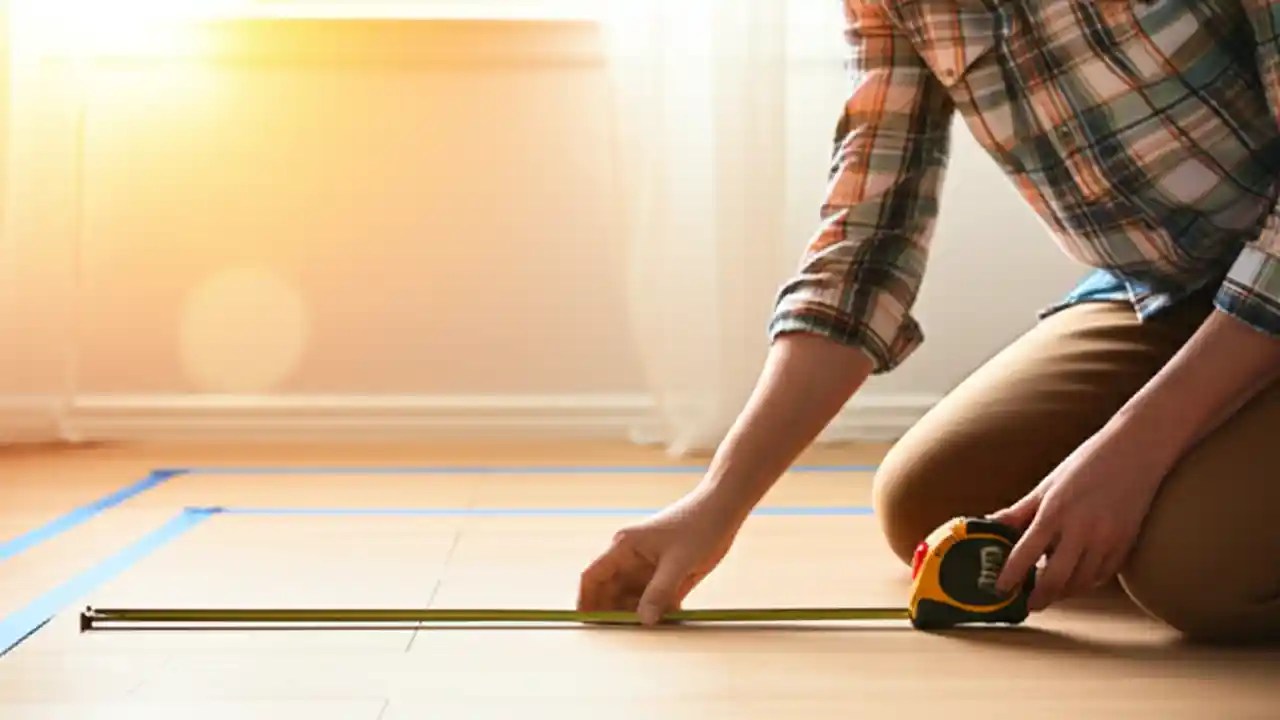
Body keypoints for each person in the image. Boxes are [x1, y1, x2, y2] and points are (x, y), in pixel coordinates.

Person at [577, 0, 1280, 643]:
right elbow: (866, 247)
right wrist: (715, 504)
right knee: (930, 500)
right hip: (1165, 290)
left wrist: (1133, 449)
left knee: (1194, 573)